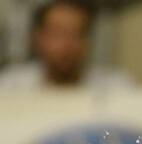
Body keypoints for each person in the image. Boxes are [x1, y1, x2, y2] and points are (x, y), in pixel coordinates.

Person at [0, 0, 132, 90]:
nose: (67, 45)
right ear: (38, 38)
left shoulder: (116, 87)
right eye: (58, 33)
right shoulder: (11, 86)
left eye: (77, 33)